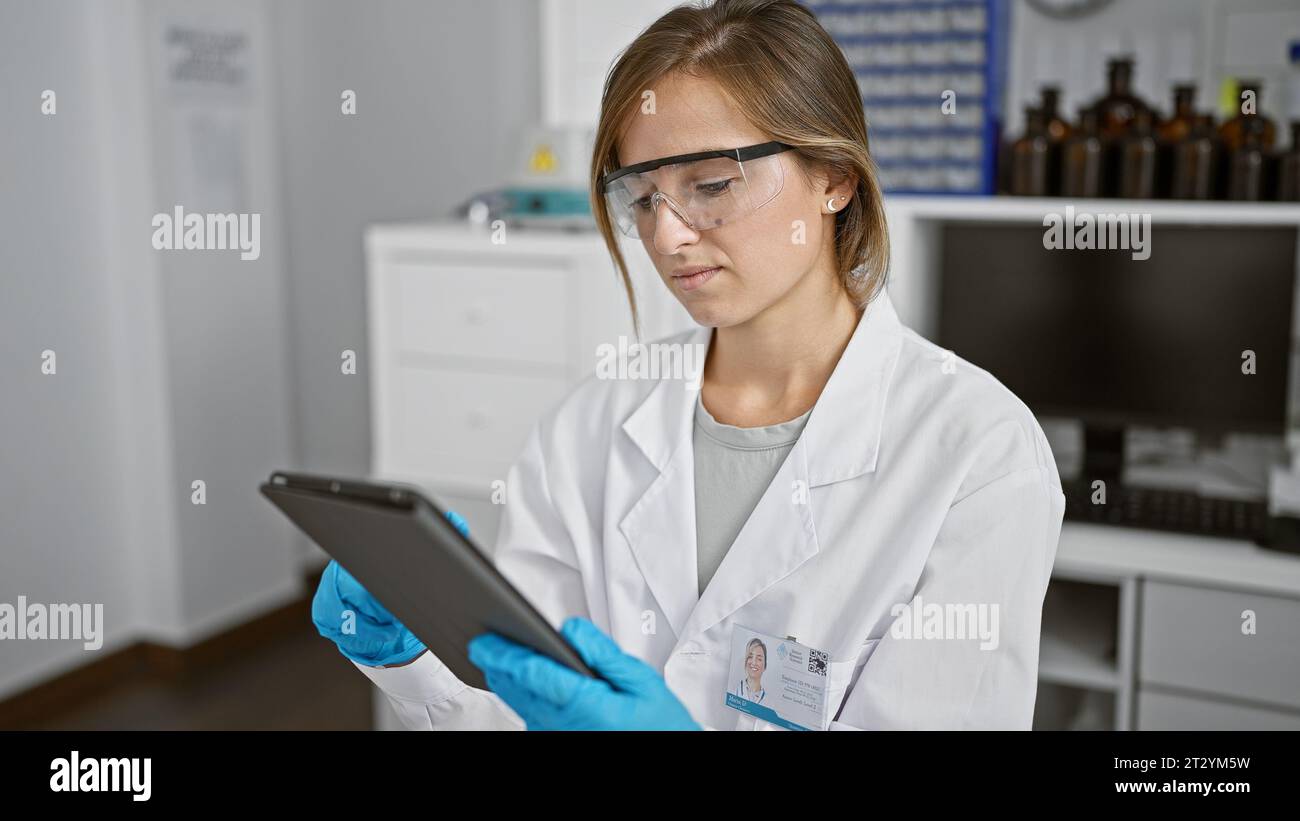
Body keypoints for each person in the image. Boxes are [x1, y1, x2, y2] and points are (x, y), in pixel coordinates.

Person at [313, 0, 1065, 731]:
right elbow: (519, 706)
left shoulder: (980, 453)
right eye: (642, 198)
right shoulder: (589, 427)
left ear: (834, 177)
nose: (667, 236)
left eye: (710, 185)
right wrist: (415, 651)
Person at [732, 638, 767, 704]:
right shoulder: (733, 692)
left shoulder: (770, 703)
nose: (754, 663)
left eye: (759, 659)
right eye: (750, 657)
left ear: (765, 666)